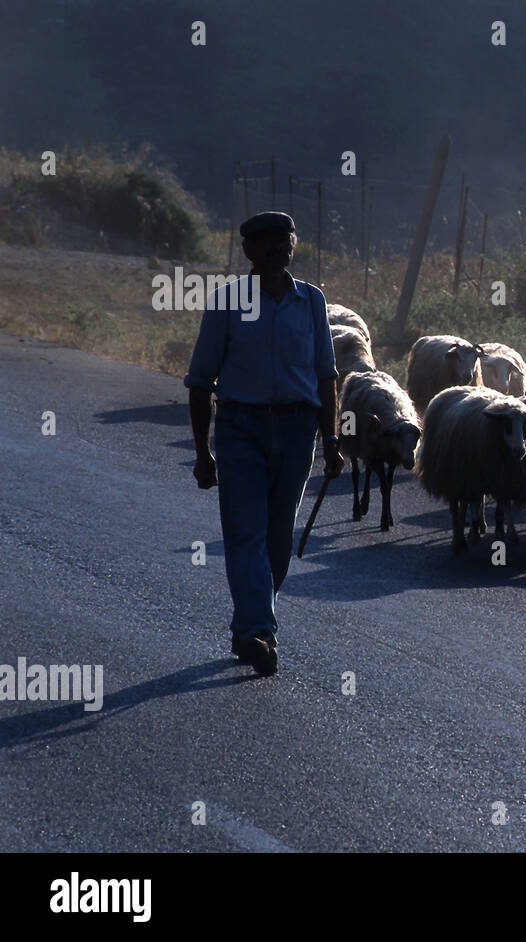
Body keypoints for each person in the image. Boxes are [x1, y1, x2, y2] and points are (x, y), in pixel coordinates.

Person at [184, 211, 344, 675]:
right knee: (246, 532)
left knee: (277, 540)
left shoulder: (311, 301)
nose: (279, 247)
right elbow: (200, 383)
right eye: (268, 240)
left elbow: (326, 377)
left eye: (286, 239)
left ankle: (248, 626)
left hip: (297, 432)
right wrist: (202, 451)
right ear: (248, 250)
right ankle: (259, 631)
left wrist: (332, 439)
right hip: (240, 429)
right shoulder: (227, 302)